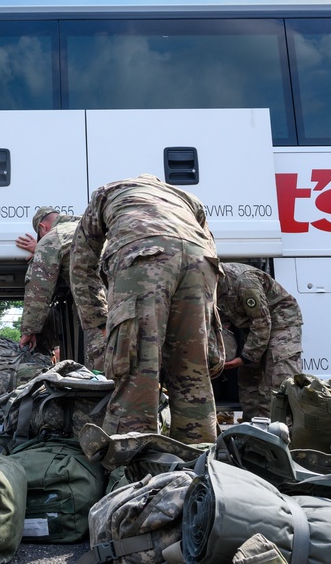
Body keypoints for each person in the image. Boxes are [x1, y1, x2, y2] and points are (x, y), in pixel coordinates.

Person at [69, 173, 222, 444]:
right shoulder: (187, 198)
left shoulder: (108, 190)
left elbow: (81, 262)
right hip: (201, 262)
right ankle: (200, 463)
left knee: (137, 366)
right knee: (192, 373)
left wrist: (98, 323)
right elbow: (208, 248)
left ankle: (134, 468)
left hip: (143, 256)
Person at [217, 262, 303, 421]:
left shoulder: (244, 281)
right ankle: (253, 434)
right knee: (249, 383)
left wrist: (245, 357)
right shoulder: (209, 285)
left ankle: (279, 434)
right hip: (252, 327)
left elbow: (262, 321)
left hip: (281, 323)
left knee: (276, 381)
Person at [18, 207, 91, 362]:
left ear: (42, 227)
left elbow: (38, 291)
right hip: (131, 294)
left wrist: (29, 331)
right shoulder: (88, 225)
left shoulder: (51, 238)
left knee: (100, 359)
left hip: (98, 306)